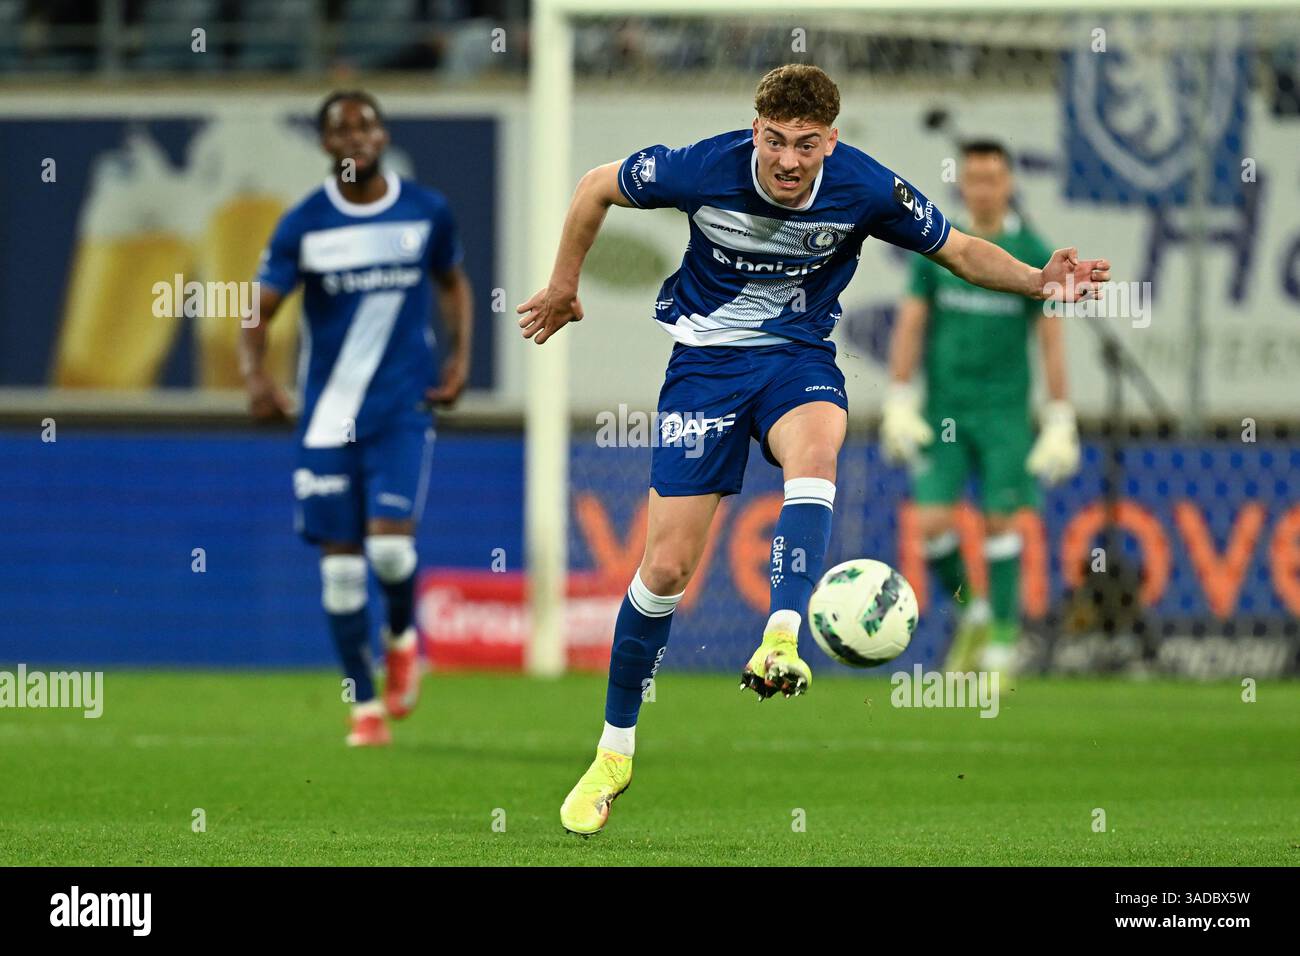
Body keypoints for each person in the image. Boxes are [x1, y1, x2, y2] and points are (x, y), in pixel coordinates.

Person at [515, 64, 1108, 835]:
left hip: (796, 361)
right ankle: (615, 751)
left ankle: (783, 636)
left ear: (831, 139)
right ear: (754, 128)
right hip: (703, 369)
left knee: (819, 444)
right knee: (663, 571)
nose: (787, 161)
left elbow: (960, 250)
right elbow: (597, 184)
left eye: (805, 144)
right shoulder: (704, 167)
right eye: (773, 141)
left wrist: (1036, 280)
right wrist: (563, 284)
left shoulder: (864, 187)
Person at [241, 91, 474, 746]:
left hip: (399, 411)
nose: (355, 137)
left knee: (393, 553)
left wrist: (457, 362)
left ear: (381, 136)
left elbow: (452, 281)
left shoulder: (427, 210)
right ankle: (364, 707)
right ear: (325, 145)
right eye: (340, 128)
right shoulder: (304, 224)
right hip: (326, 419)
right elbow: (259, 309)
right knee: (342, 571)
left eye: (366, 125)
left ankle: (402, 636)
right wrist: (256, 376)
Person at [883, 139, 1081, 677]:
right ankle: (973, 611)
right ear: (962, 183)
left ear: (1009, 182)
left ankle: (1001, 643)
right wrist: (899, 396)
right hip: (944, 409)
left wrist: (1059, 414)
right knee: (931, 523)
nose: (984, 188)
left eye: (994, 178)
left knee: (1000, 520)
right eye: (975, 178)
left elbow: (1051, 340)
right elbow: (910, 322)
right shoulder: (942, 244)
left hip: (1004, 413)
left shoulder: (1032, 248)